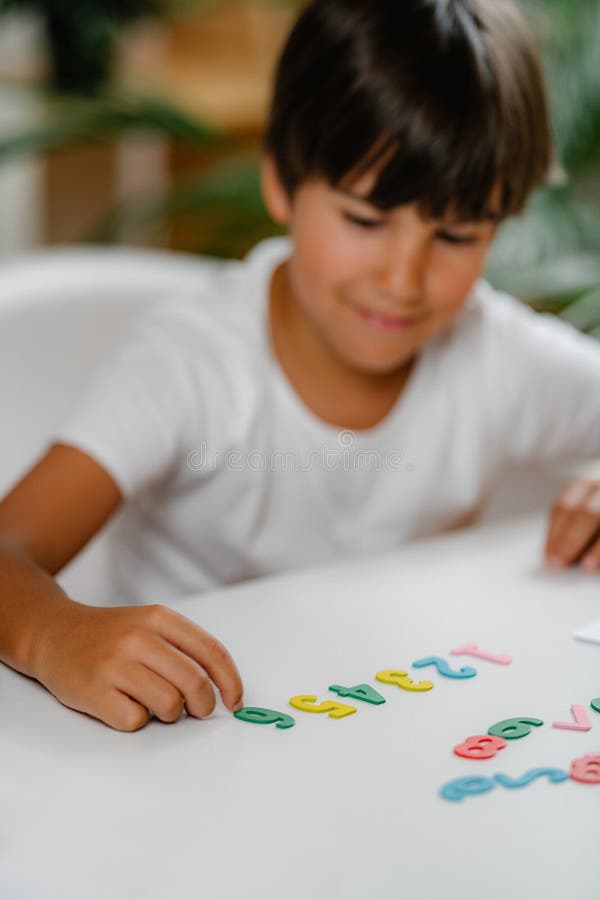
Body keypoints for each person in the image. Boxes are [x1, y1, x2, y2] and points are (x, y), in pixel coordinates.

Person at [1, 0, 599, 733]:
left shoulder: (496, 356)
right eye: (365, 220)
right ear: (281, 181)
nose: (402, 279)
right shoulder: (192, 363)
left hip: (389, 730)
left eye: (456, 234)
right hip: (185, 742)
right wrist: (51, 632)